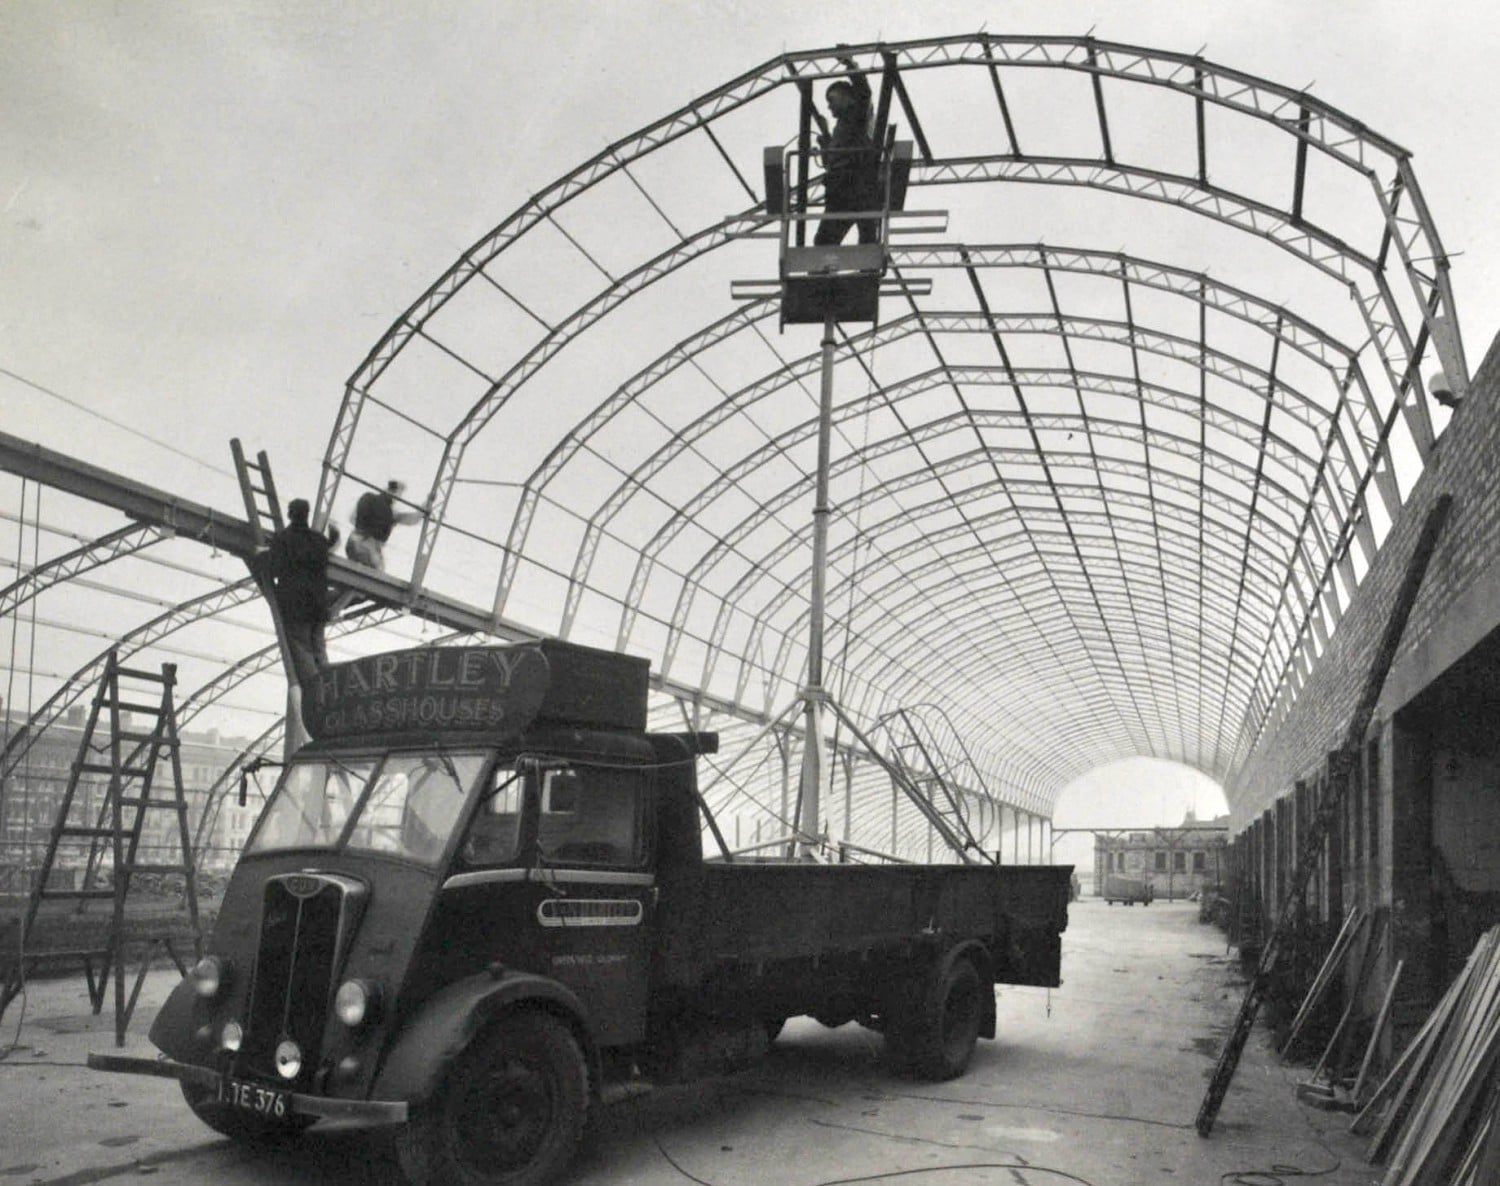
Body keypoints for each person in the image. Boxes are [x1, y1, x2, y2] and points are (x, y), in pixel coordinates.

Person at [263, 498, 338, 684]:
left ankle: (315, 691)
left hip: (295, 605)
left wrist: (262, 555)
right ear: (307, 514)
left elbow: (274, 568)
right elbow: (329, 547)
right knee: (319, 648)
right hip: (319, 605)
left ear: (290, 514)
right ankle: (329, 687)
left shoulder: (283, 538)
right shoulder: (318, 540)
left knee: (301, 649)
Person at [813, 53, 880, 247]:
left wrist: (851, 64)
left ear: (847, 98)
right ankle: (825, 273)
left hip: (855, 183)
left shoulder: (857, 115)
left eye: (832, 100)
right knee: (825, 242)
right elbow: (830, 162)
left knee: (864, 237)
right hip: (841, 188)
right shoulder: (841, 127)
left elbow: (864, 92)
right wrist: (825, 134)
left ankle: (864, 270)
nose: (829, 106)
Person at [346, 479, 426, 571]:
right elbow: (413, 519)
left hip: (354, 541)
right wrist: (427, 505)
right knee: (377, 571)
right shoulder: (391, 513)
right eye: (399, 494)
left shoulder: (368, 498)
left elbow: (352, 518)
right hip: (370, 548)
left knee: (356, 569)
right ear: (394, 492)